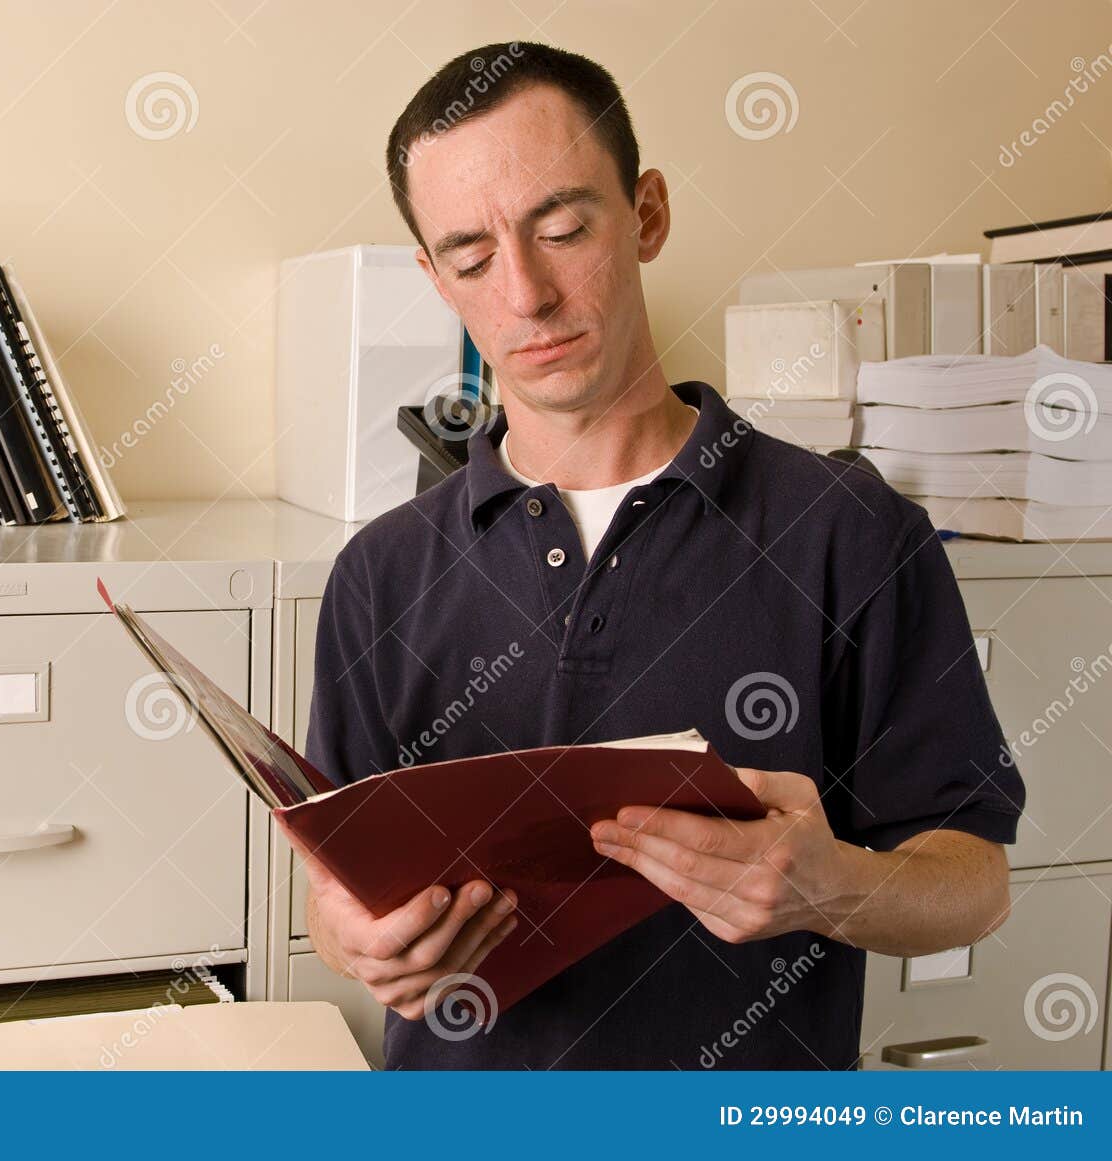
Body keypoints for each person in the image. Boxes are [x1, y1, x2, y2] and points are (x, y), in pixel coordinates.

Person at [298, 41, 1024, 1069]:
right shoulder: (381, 573)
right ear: (434, 278)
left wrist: (829, 886)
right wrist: (355, 941)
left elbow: (974, 883)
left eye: (562, 229)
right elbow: (336, 890)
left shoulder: (848, 532)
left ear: (646, 214)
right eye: (470, 257)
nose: (526, 294)